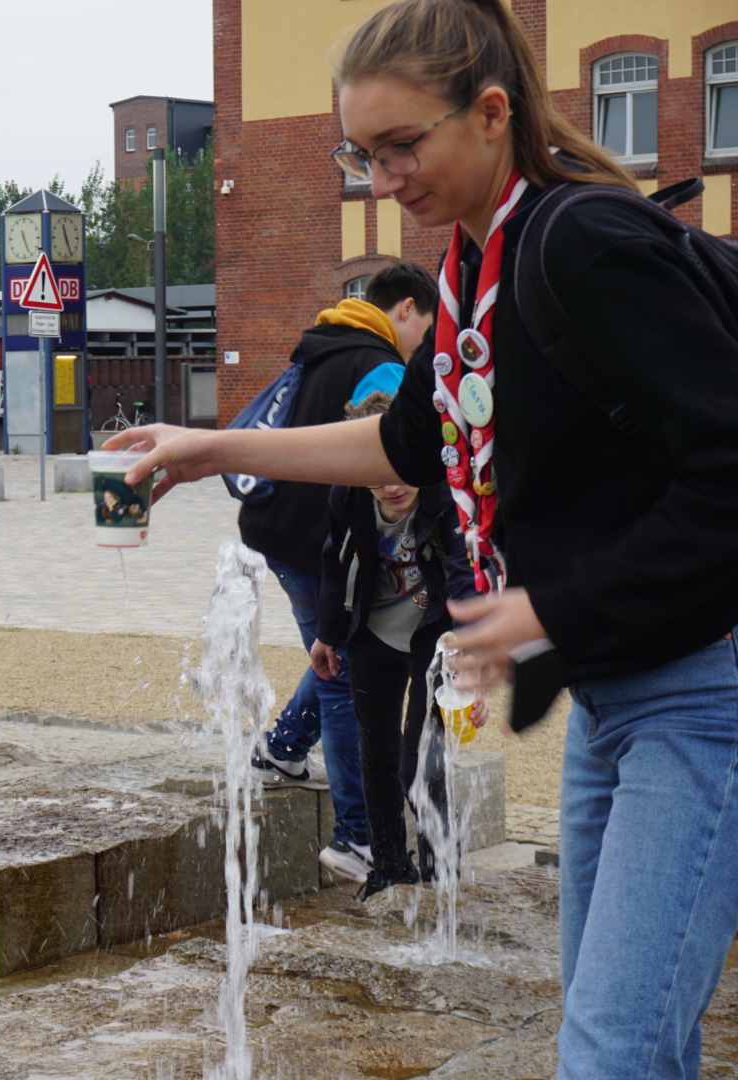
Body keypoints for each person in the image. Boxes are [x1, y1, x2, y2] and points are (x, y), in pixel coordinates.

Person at [109, 0, 738, 1075]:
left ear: (489, 113)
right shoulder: (468, 268)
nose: (382, 178)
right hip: (611, 703)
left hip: (699, 696)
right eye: (361, 154)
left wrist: (551, 605)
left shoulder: (580, 238)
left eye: (402, 145)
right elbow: (407, 439)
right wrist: (215, 447)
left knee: (611, 1049)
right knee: (618, 1041)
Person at [237, 260, 437, 885]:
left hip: (276, 526)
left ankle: (283, 747)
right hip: (318, 540)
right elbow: (400, 449)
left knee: (332, 648)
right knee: (348, 671)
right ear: (406, 309)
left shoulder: (322, 345)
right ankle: (357, 836)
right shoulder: (382, 363)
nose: (424, 346)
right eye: (425, 330)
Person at [308, 391, 480, 901]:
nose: (391, 483)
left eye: (400, 466)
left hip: (431, 632)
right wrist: (328, 633)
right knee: (375, 752)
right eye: (375, 471)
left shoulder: (440, 492)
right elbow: (333, 563)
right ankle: (387, 865)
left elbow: (462, 569)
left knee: (420, 759)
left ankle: (438, 869)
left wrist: (465, 648)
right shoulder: (347, 495)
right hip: (373, 632)